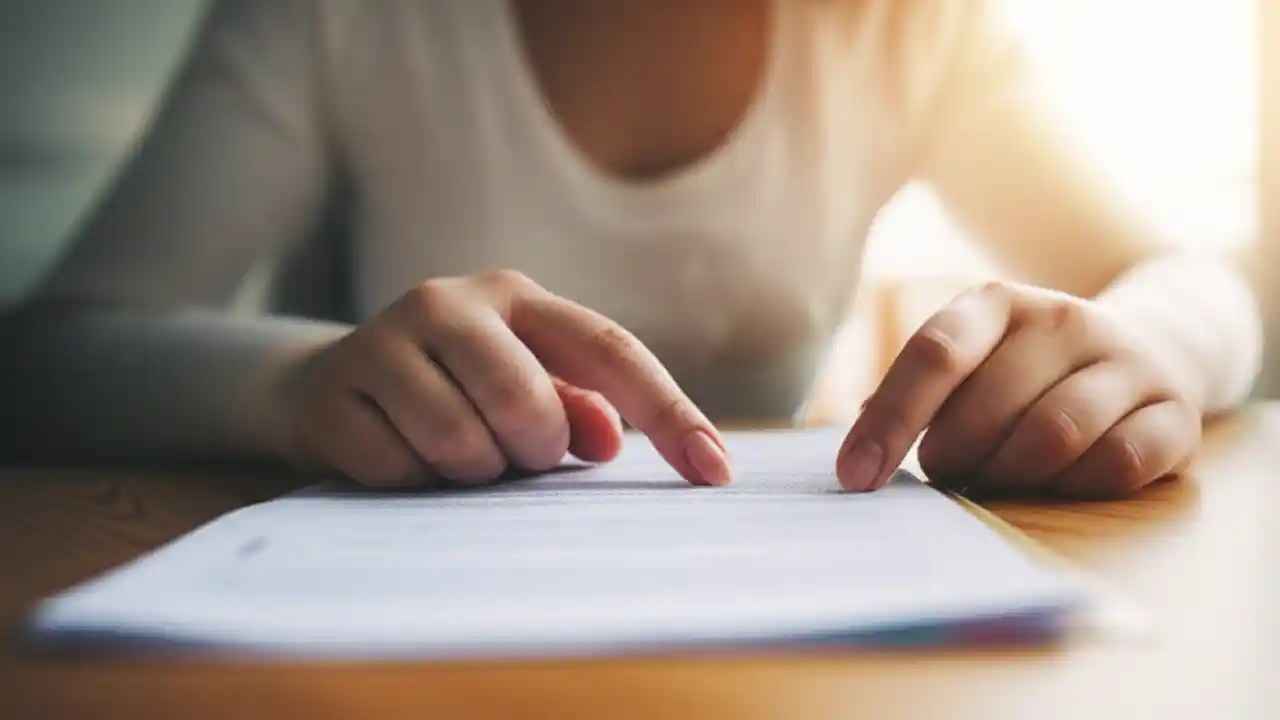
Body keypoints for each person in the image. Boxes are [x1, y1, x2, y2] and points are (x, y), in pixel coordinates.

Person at [1, 0, 1262, 497]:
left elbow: (1202, 285)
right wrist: (292, 385)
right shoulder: (341, 17)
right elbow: (44, 362)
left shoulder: (900, 27)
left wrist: (1151, 344)